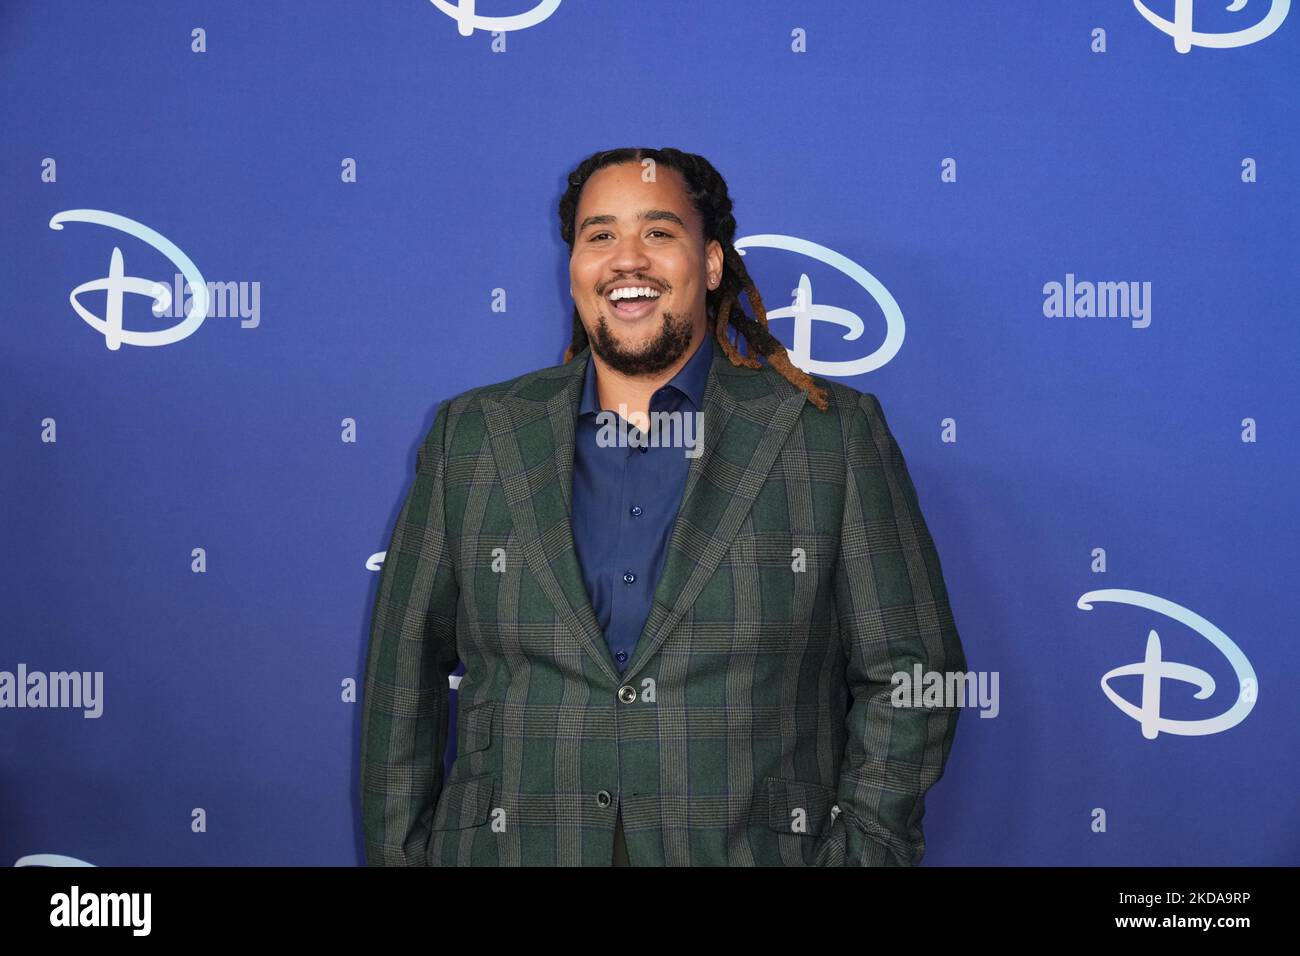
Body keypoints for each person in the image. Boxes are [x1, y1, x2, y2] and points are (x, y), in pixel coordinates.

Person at [359, 147, 966, 866]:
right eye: (600, 236)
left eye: (658, 232)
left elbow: (912, 676)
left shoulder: (827, 436)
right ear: (576, 268)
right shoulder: (476, 435)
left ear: (710, 265)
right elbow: (404, 678)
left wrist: (860, 853)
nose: (626, 260)